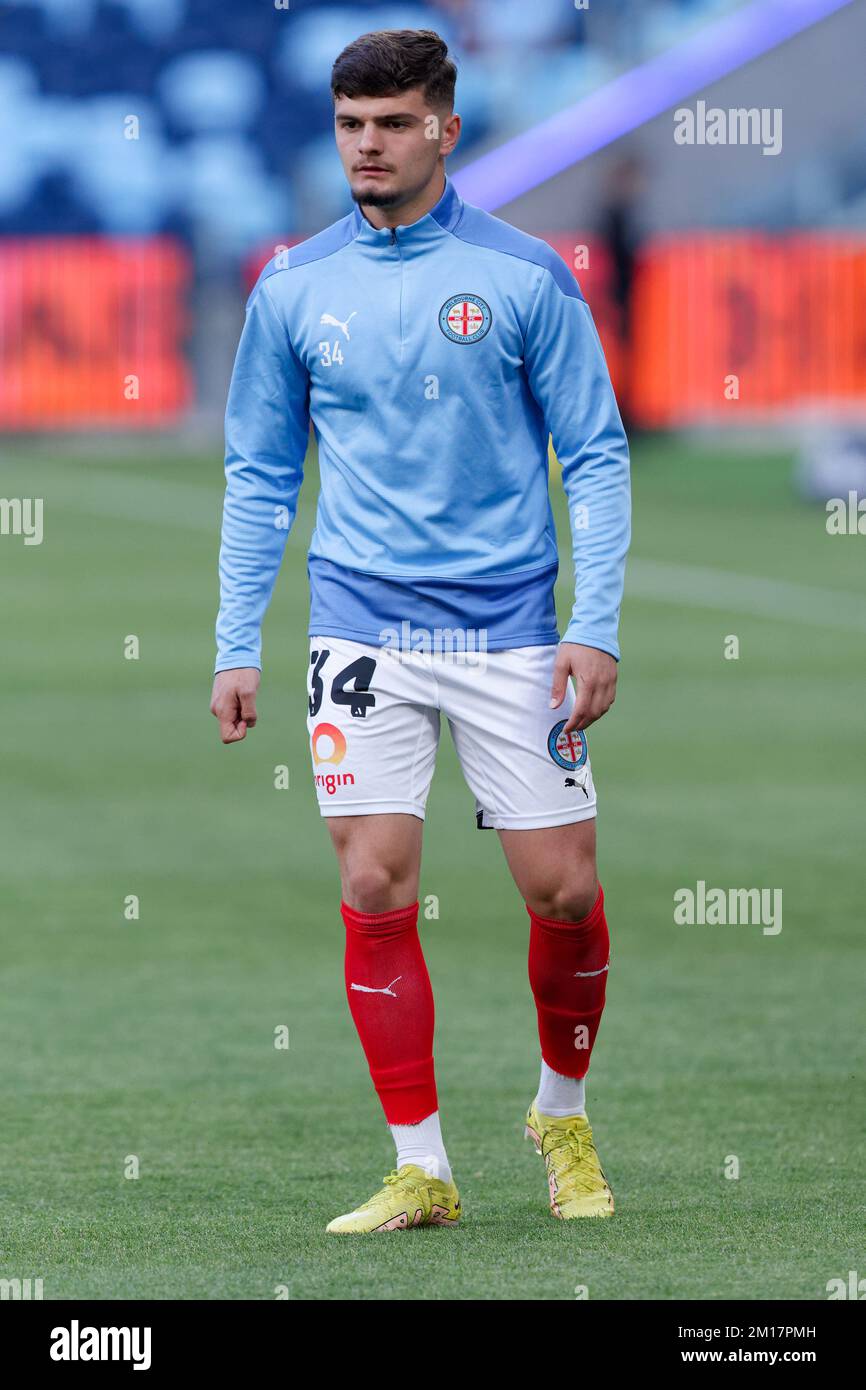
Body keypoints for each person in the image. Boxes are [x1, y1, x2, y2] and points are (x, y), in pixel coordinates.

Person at [211, 28, 630, 1234]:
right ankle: (421, 1166)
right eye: (349, 125)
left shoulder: (522, 275)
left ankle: (560, 1111)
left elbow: (594, 458)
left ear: (444, 127)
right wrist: (237, 640)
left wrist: (589, 626)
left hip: (505, 628)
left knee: (560, 893)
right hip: (359, 629)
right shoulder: (292, 285)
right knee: (371, 878)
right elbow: (258, 473)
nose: (367, 147)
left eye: (392, 124)